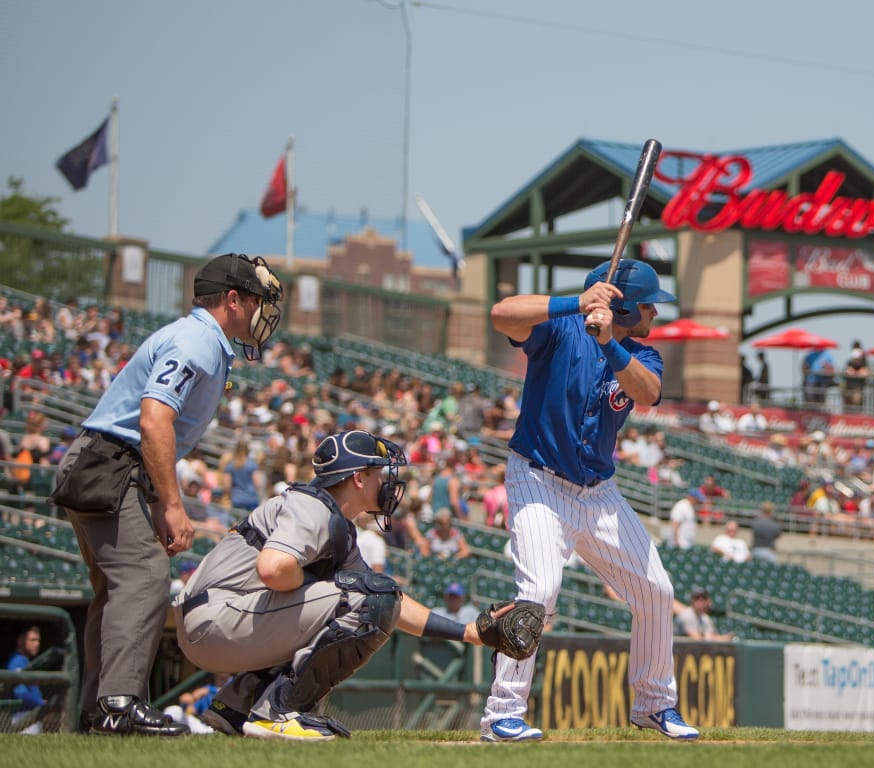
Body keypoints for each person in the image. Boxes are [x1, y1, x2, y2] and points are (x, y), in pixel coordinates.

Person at [52, 253, 283, 737]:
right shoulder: (197, 339)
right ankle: (117, 704)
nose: (263, 312)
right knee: (144, 576)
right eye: (257, 300)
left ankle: (102, 710)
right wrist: (173, 503)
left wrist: (158, 498)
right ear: (234, 299)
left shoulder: (202, 339)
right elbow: (154, 418)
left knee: (117, 589)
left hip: (107, 461)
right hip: (110, 462)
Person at [479, 258, 697, 741]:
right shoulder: (559, 331)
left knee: (656, 591)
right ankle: (501, 715)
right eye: (647, 305)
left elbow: (648, 391)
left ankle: (654, 705)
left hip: (599, 491)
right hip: (538, 477)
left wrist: (609, 343)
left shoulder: (640, 352)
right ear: (622, 304)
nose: (654, 314)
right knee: (539, 591)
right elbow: (502, 314)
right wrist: (575, 304)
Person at [176, 429, 514, 741]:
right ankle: (278, 712)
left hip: (218, 620)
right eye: (378, 473)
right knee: (366, 598)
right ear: (358, 478)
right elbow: (273, 569)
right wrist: (310, 583)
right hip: (217, 618)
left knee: (370, 595)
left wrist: (467, 631)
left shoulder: (334, 522)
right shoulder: (312, 509)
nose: (385, 482)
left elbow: (392, 603)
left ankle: (237, 705)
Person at [7, 626, 46, 734]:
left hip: (30, 716)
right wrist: (41, 702)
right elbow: (20, 693)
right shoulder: (17, 661)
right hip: (23, 717)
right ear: (20, 640)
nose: (37, 644)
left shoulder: (24, 660)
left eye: (38, 640)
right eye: (32, 640)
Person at [842, 340, 868, 408]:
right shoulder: (850, 361)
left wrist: (855, 373)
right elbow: (848, 370)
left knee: (856, 401)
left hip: (858, 385)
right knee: (848, 400)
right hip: (849, 385)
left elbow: (865, 372)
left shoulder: (864, 360)